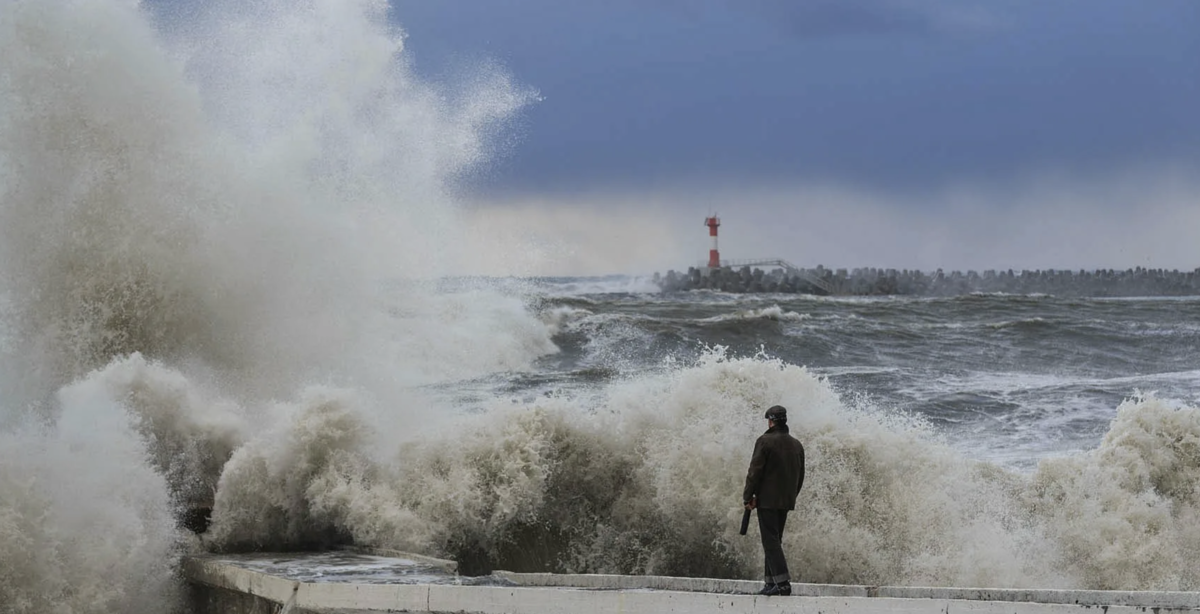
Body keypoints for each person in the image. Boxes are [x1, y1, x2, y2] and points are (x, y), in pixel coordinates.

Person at [743, 404, 805, 596]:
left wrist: (748, 496)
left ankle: (783, 583)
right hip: (786, 500)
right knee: (774, 540)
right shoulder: (796, 444)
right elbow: (800, 475)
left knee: (770, 541)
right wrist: (792, 496)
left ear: (770, 421)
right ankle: (771, 583)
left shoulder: (765, 441)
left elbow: (754, 472)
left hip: (767, 500)